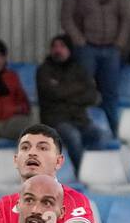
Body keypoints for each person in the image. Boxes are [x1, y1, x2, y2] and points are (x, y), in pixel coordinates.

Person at [61, 0, 130, 133]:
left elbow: (126, 16)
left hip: (111, 49)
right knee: (82, 91)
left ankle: (111, 130)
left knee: (110, 94)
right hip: (86, 48)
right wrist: (79, 41)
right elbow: (66, 17)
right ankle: (83, 129)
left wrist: (120, 43)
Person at [37, 33, 101, 173]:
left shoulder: (79, 69)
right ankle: (82, 173)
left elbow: (92, 96)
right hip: (55, 120)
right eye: (54, 46)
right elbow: (53, 93)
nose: (57, 50)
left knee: (98, 134)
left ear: (69, 50)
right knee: (73, 137)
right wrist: (78, 88)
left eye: (62, 46)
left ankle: (98, 172)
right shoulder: (44, 70)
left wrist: (63, 91)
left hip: (79, 118)